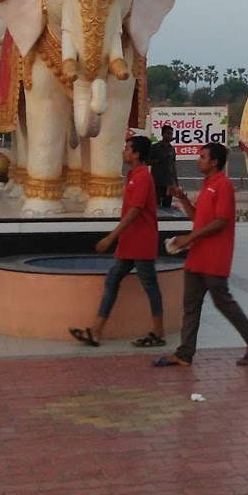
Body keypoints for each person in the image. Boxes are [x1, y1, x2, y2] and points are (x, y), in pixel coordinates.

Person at [153, 142, 248, 368]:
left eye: (203, 157)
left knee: (224, 303)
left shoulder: (223, 185)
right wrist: (182, 198)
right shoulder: (208, 185)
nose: (199, 160)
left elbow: (220, 222)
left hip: (215, 256)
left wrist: (189, 238)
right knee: (191, 306)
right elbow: (199, 219)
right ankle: (185, 353)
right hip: (197, 256)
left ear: (214, 162)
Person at [68, 135, 166, 348]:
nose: (124, 152)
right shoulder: (133, 175)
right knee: (114, 280)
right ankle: (96, 330)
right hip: (130, 241)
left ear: (136, 154)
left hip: (140, 241)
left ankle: (158, 332)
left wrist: (110, 237)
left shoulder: (142, 177)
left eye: (127, 149)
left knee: (149, 285)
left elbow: (134, 212)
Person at [148, 125, 176, 209]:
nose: (170, 136)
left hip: (168, 182)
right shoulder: (155, 147)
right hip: (157, 181)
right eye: (168, 133)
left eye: (171, 134)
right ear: (163, 134)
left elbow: (173, 165)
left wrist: (176, 182)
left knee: (167, 205)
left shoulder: (172, 149)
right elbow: (147, 162)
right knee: (155, 205)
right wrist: (159, 160)